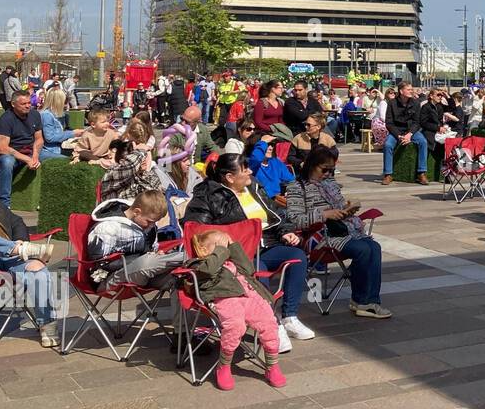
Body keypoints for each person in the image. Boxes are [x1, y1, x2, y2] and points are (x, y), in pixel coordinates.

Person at [183, 153, 315, 351]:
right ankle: (271, 324)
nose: (251, 171)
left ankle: (290, 316)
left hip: (268, 243)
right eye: (245, 169)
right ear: (229, 177)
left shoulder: (252, 186)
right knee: (255, 273)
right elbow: (197, 229)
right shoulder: (208, 195)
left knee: (298, 257)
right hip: (239, 253)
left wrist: (285, 231)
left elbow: (274, 214)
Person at [282, 147, 393, 319]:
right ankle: (362, 300)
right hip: (318, 236)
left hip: (341, 229)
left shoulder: (331, 183)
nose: (327, 173)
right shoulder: (297, 187)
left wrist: (347, 209)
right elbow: (295, 219)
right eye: (324, 169)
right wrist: (324, 214)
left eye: (331, 170)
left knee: (374, 247)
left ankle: (369, 301)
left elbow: (339, 207)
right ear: (312, 165)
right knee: (362, 249)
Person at [0, 165, 58, 350]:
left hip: (7, 258)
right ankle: (21, 249)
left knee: (38, 272)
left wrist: (21, 241)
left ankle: (46, 324)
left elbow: (17, 221)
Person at [185, 228, 287, 390]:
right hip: (224, 298)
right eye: (219, 245)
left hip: (249, 295)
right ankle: (224, 366)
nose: (224, 248)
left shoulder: (231, 262)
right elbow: (209, 270)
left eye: (225, 245)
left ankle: (272, 366)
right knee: (235, 326)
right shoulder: (199, 264)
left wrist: (233, 246)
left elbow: (249, 270)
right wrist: (221, 250)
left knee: (269, 322)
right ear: (203, 249)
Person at [86, 190, 185, 288]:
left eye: (154, 222)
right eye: (149, 221)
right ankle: (188, 257)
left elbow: (152, 250)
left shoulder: (148, 227)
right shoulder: (108, 228)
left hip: (142, 273)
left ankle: (189, 260)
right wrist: (138, 259)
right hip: (108, 279)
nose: (152, 226)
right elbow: (98, 266)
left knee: (179, 277)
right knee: (147, 262)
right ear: (137, 212)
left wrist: (157, 254)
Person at [0, 91, 44, 207]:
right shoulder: (5, 119)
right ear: (13, 104)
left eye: (29, 103)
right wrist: (27, 159)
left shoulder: (35, 115)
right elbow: (2, 148)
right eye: (23, 104)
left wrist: (35, 156)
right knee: (7, 162)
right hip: (10, 153)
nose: (27, 106)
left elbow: (39, 139)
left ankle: (44, 199)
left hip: (30, 150)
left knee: (54, 158)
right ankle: (4, 203)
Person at [383, 82, 428, 185]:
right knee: (387, 145)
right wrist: (398, 135)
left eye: (411, 89)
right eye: (408, 89)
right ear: (401, 91)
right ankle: (388, 174)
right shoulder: (392, 103)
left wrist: (410, 134)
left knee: (423, 142)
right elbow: (389, 123)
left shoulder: (416, 103)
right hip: (396, 131)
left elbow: (417, 122)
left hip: (410, 131)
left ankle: (421, 173)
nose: (411, 91)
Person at [37, 87, 76, 160]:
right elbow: (50, 138)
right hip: (51, 150)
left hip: (61, 146)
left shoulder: (60, 114)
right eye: (64, 101)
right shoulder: (46, 115)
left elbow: (64, 131)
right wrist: (72, 133)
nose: (66, 104)